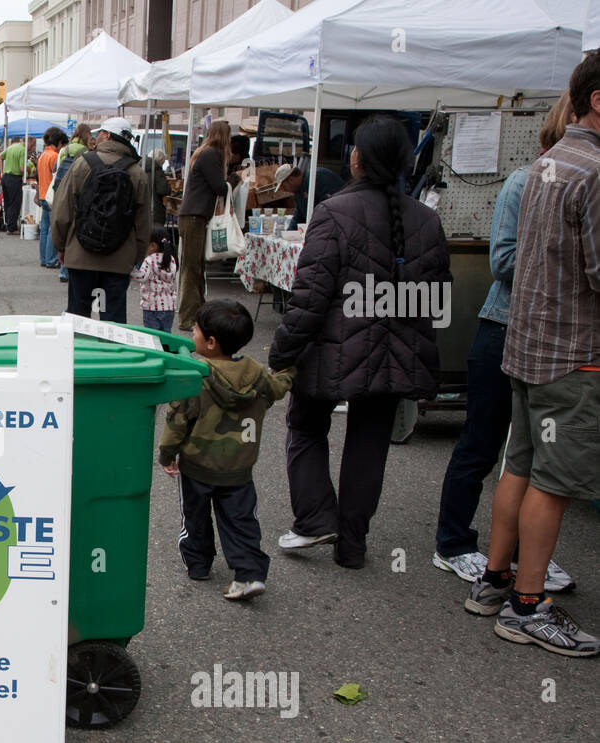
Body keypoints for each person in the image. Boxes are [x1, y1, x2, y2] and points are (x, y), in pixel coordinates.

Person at [268, 114, 448, 569]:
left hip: (332, 351)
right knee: (369, 441)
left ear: (356, 158)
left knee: (307, 427)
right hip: (394, 357)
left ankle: (314, 518)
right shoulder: (427, 219)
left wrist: (282, 353)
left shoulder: (332, 213)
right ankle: (352, 543)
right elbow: (437, 303)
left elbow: (309, 297)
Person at [467, 57, 600, 656]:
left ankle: (495, 583)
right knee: (553, 479)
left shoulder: (547, 164)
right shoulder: (593, 169)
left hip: (531, 347)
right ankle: (528, 604)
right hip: (574, 353)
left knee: (519, 466)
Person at [435, 97, 574, 590]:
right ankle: (452, 543)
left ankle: (517, 556)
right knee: (482, 443)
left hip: (556, 338)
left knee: (535, 453)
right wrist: (572, 267)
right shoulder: (524, 180)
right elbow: (503, 260)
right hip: (504, 328)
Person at [159, 300, 295, 600]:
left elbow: (178, 421)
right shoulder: (257, 375)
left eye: (195, 329)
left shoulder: (196, 377)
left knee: (194, 517)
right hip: (239, 469)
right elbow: (277, 388)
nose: (191, 333)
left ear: (210, 342)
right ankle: (248, 574)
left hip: (197, 465)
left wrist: (166, 455)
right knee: (241, 520)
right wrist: (289, 372)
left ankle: (198, 564)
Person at [51, 117, 151, 325]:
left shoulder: (82, 164)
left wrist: (61, 246)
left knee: (78, 319)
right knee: (113, 322)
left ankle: (78, 355)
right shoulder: (137, 173)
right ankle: (110, 354)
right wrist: (136, 256)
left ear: (106, 136)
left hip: (80, 253)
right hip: (120, 257)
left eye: (99, 134)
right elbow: (143, 223)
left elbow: (62, 210)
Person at [176, 120, 231, 332]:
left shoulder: (204, 152)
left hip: (194, 215)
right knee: (192, 269)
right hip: (194, 216)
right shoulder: (211, 154)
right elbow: (219, 186)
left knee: (195, 267)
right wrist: (234, 180)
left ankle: (196, 314)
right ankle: (188, 317)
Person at [53, 124, 93, 283]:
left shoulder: (65, 149)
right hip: (79, 193)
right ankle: (68, 269)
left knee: (63, 225)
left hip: (62, 189)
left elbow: (56, 170)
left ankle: (63, 268)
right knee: (75, 231)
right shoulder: (87, 153)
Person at [131, 226, 178, 332]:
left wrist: (130, 271)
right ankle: (165, 349)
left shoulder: (149, 260)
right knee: (166, 336)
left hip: (152, 308)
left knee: (153, 337)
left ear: (152, 245)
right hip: (169, 307)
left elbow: (142, 276)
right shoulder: (171, 259)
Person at [36, 127, 62, 270]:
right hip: (51, 196)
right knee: (51, 229)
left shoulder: (43, 155)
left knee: (45, 229)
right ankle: (51, 259)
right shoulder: (54, 156)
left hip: (42, 194)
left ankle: (44, 258)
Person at [0, 136, 25, 233]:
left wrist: (2, 172)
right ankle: (11, 227)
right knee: (15, 202)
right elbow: (22, 169)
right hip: (14, 178)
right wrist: (27, 170)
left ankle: (8, 224)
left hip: (6, 177)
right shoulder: (22, 149)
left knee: (7, 202)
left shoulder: (9, 148)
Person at [147, 149, 172, 227]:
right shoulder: (157, 170)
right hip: (154, 209)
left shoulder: (141, 165)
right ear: (160, 161)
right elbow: (164, 190)